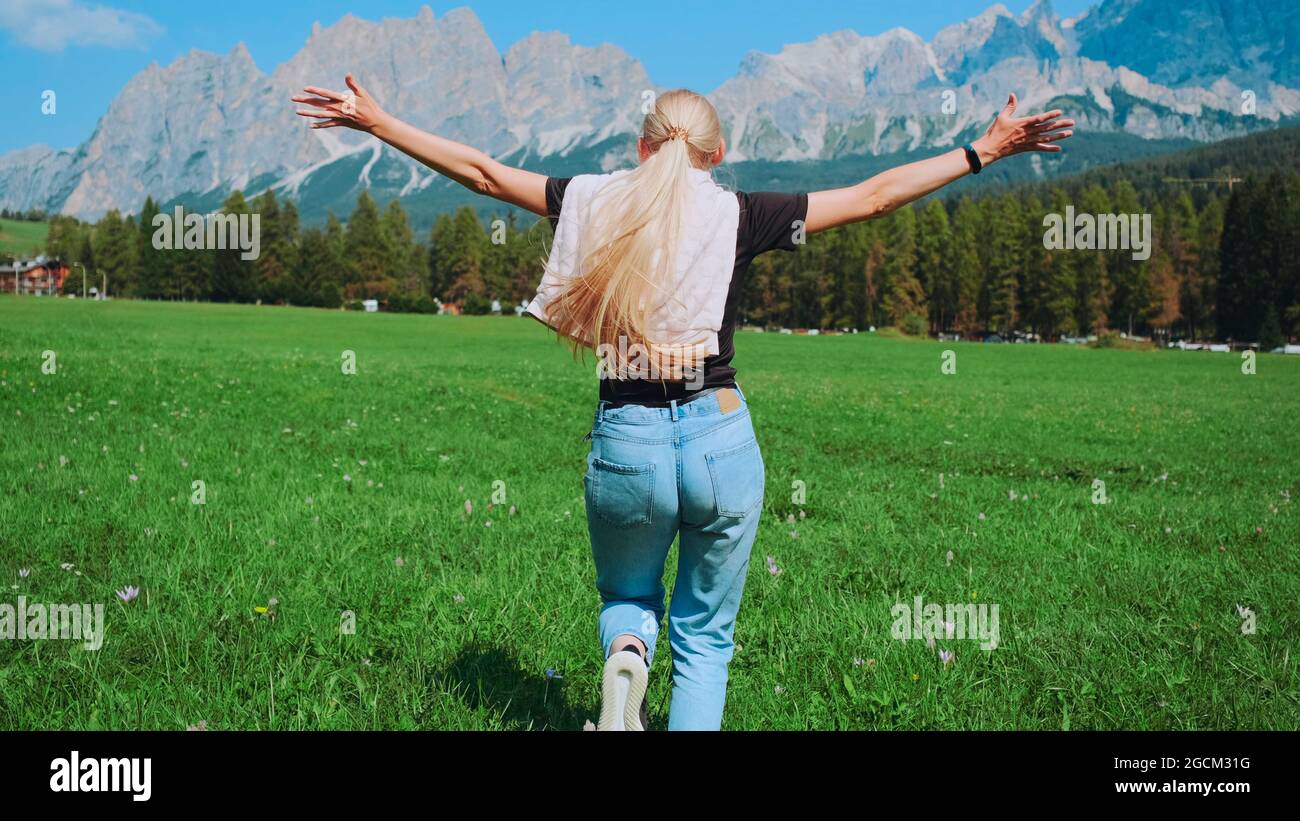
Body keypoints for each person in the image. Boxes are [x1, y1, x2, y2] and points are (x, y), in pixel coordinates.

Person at [292, 75, 1073, 731]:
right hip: (720, 439)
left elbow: (486, 174)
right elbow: (872, 197)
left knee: (630, 597)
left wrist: (379, 120)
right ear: (717, 156)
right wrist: (984, 150)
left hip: (626, 440)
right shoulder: (740, 214)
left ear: (641, 145)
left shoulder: (589, 199)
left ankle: (626, 657)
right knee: (705, 636)